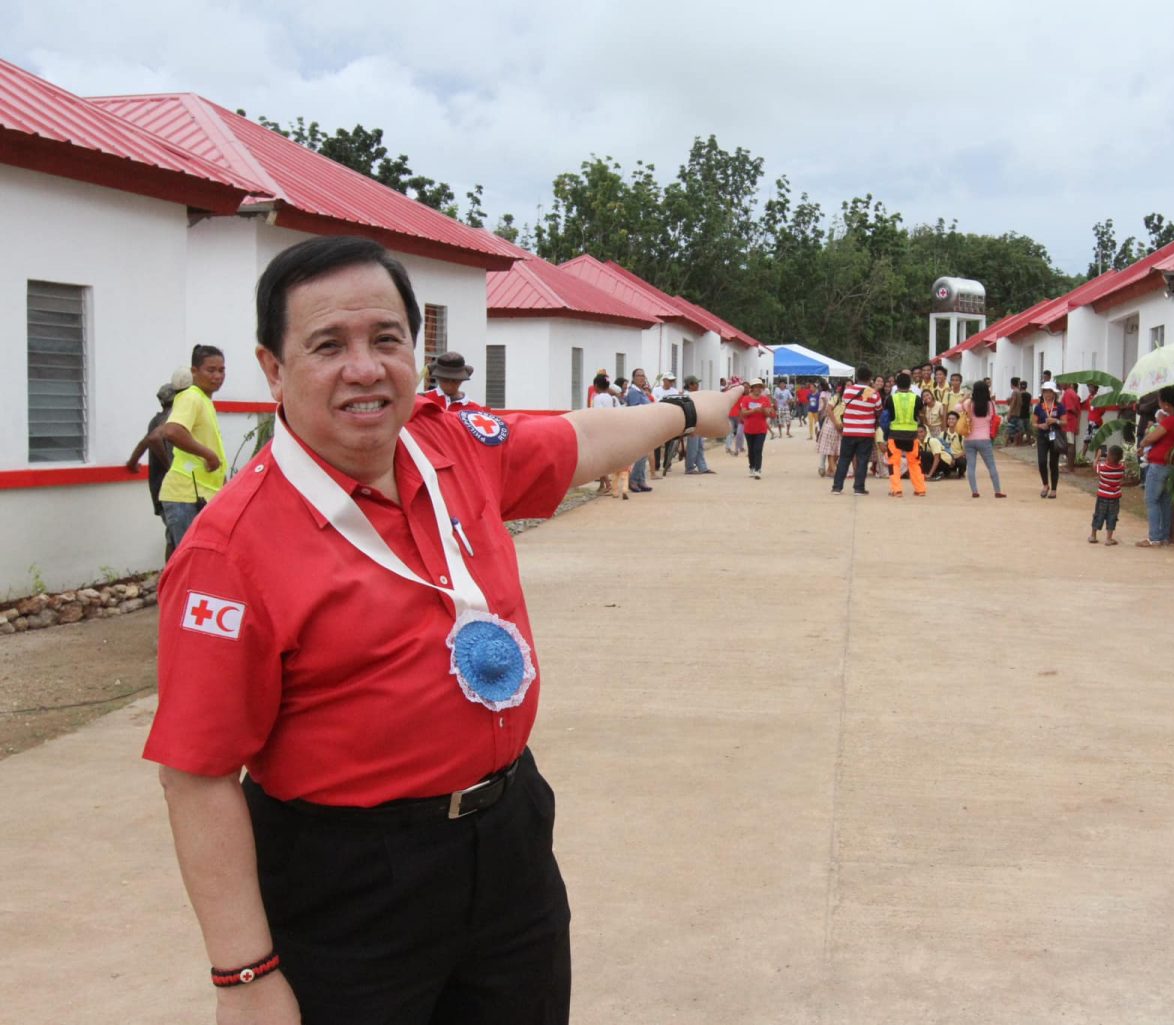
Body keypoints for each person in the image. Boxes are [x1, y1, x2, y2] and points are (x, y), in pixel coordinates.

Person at [144, 235, 741, 1024]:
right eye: (328, 345)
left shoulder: (449, 443)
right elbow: (197, 773)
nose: (365, 367)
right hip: (350, 877)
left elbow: (578, 440)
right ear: (274, 369)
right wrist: (245, 977)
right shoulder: (230, 549)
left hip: (509, 838)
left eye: (387, 339)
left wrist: (688, 412)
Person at [159, 344, 229, 551]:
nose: (217, 376)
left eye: (221, 370)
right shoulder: (191, 397)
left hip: (202, 494)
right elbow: (171, 431)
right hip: (185, 496)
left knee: (200, 561)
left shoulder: (204, 401)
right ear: (194, 372)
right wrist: (209, 455)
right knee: (190, 562)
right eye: (211, 370)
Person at [126, 381, 181, 559]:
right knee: (174, 537)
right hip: (169, 488)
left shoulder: (157, 420)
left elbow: (144, 442)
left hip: (161, 487)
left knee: (173, 534)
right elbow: (152, 439)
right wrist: (171, 468)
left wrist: (132, 462)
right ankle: (170, 580)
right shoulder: (170, 419)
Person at [1136, 385, 1174, 547]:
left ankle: (1154, 537)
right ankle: (1163, 536)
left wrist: (1143, 442)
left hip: (1160, 464)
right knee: (1165, 500)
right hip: (1173, 464)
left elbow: (1151, 438)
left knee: (1152, 500)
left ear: (1165, 405)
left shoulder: (1170, 420)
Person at [831, 367, 880, 495]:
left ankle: (837, 487)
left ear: (857, 377)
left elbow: (846, 405)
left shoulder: (848, 391)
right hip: (866, 432)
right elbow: (878, 409)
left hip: (849, 431)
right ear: (870, 378)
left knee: (844, 459)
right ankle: (859, 488)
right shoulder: (873, 393)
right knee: (862, 460)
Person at [884, 371, 926, 497]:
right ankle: (920, 489)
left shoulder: (891, 398)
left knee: (894, 463)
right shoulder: (916, 398)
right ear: (910, 385)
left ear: (896, 385)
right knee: (914, 462)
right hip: (912, 435)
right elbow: (921, 413)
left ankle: (896, 490)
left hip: (894, 434)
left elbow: (887, 416)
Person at [961, 382, 1006, 498]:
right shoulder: (990, 404)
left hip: (969, 439)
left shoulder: (969, 403)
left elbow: (957, 407)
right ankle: (997, 491)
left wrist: (965, 397)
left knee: (971, 466)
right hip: (984, 439)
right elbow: (992, 417)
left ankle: (974, 491)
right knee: (991, 466)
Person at [590, 374, 626, 498]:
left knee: (599, 460)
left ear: (595, 386)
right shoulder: (613, 398)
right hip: (611, 429)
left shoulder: (598, 398)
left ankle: (607, 484)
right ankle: (602, 485)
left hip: (601, 431)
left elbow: (598, 414)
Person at [735, 378, 774, 479]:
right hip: (749, 429)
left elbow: (767, 413)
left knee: (758, 449)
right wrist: (754, 410)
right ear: (752, 388)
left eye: (759, 387)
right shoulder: (746, 399)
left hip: (761, 429)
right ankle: (751, 467)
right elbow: (743, 413)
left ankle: (758, 469)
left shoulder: (765, 399)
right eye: (755, 387)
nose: (758, 389)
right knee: (751, 450)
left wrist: (765, 411)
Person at [623, 369, 654, 492]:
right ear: (634, 378)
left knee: (644, 455)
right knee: (640, 455)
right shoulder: (634, 392)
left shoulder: (642, 392)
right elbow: (635, 409)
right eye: (639, 376)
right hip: (638, 427)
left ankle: (641, 480)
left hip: (645, 426)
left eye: (643, 375)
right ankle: (634, 480)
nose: (641, 378)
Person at [1090, 445, 1126, 545]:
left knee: (1098, 514)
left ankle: (1093, 535)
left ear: (1108, 456)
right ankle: (1109, 538)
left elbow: (1094, 465)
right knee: (1112, 516)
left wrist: (1097, 456)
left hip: (1102, 496)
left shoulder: (1102, 467)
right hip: (1115, 498)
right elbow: (1122, 476)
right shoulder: (1121, 468)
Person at [1033, 384, 1065, 499]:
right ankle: (1045, 485)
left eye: (1050, 392)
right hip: (1042, 436)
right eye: (1045, 392)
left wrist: (1055, 421)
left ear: (1054, 393)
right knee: (1041, 461)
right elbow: (1033, 423)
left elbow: (1065, 422)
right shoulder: (1039, 407)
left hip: (1054, 436)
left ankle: (1054, 489)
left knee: (1053, 463)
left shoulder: (1059, 406)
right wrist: (1040, 425)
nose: (1047, 394)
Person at [683, 376, 715, 475]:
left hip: (699, 422)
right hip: (692, 423)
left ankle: (702, 467)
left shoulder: (696, 394)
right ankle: (689, 467)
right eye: (696, 384)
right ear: (690, 385)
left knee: (700, 446)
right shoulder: (687, 396)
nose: (698, 385)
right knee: (693, 446)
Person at [922, 411, 966, 480]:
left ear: (957, 420)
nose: (950, 421)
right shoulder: (942, 434)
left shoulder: (961, 434)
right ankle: (945, 472)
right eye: (949, 419)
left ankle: (961, 473)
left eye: (953, 419)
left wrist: (956, 456)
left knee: (962, 461)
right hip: (946, 457)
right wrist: (950, 456)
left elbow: (966, 450)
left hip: (957, 457)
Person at [816, 379, 843, 478]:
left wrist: (821, 413)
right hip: (832, 422)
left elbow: (824, 405)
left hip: (827, 418)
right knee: (830, 446)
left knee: (828, 445)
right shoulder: (831, 394)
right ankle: (828, 468)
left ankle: (824, 466)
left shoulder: (824, 393)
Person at [1058, 383, 1081, 474]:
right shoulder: (1071, 393)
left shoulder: (1068, 393)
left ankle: (1070, 467)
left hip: (1069, 422)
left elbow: (1071, 408)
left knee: (1070, 445)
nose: (1061, 384)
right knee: (1070, 444)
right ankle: (1070, 466)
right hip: (1070, 422)